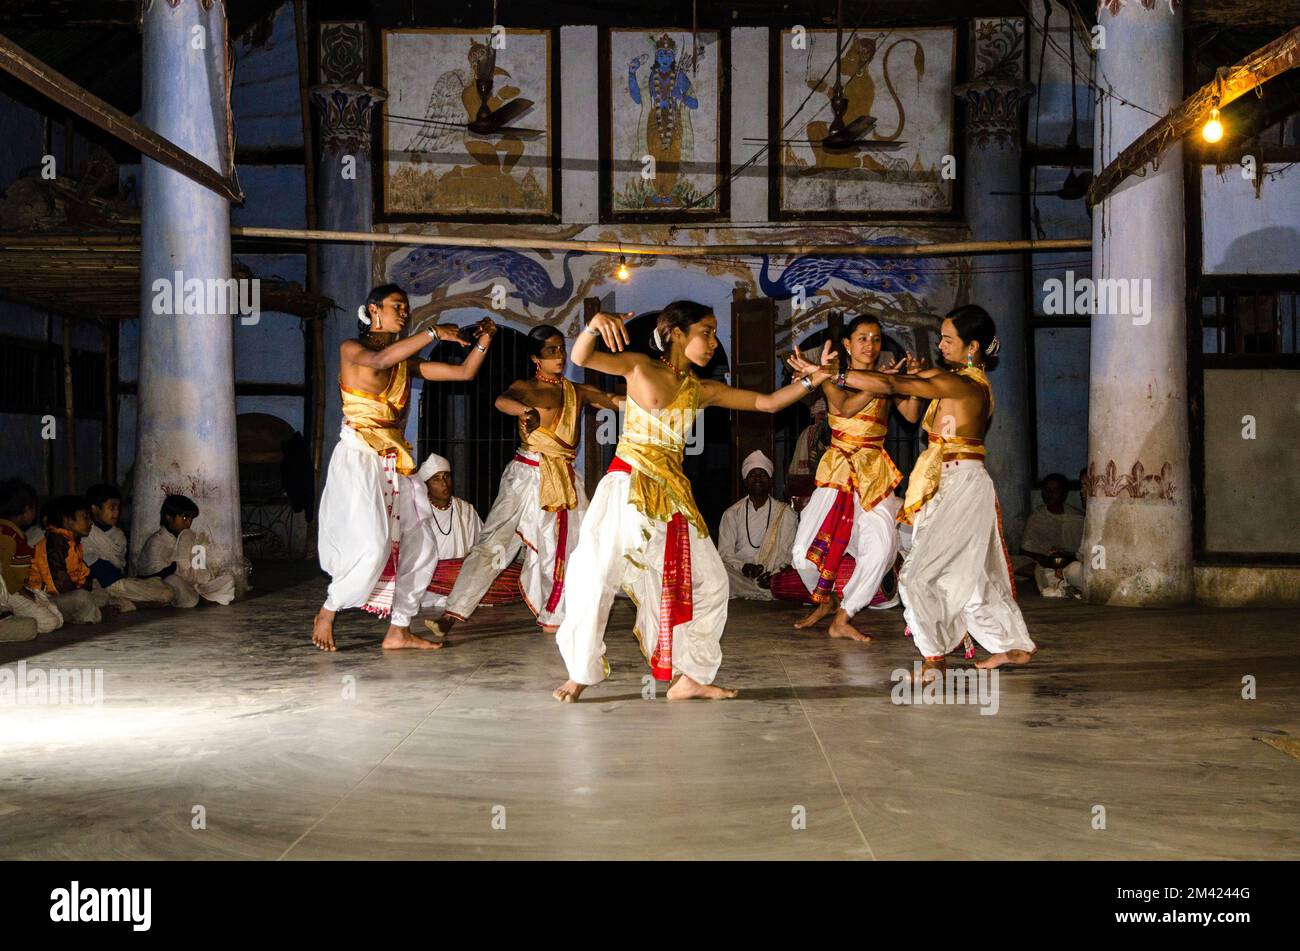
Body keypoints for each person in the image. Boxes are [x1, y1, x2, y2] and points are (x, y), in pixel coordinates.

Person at [551, 301, 836, 702]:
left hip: (672, 496)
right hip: (626, 485)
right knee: (596, 577)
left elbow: (767, 403)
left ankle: (691, 675)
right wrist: (593, 326)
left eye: (716, 333)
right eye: (707, 331)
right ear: (676, 332)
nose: (714, 343)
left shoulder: (702, 390)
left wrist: (815, 380)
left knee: (714, 583)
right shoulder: (638, 367)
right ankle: (581, 670)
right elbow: (582, 357)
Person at [839, 304, 1036, 678]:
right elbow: (911, 411)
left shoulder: (964, 385)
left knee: (917, 576)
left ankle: (934, 659)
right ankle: (1012, 646)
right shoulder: (953, 379)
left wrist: (834, 374)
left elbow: (896, 385)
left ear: (972, 346)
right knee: (972, 576)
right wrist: (907, 377)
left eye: (948, 340)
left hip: (960, 484)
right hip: (944, 483)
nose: (941, 346)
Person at [313, 284, 497, 651]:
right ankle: (329, 609)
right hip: (360, 457)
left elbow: (463, 374)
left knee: (423, 545)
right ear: (373, 310)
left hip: (396, 464)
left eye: (406, 308)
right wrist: (431, 333)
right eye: (396, 306)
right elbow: (379, 361)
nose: (403, 313)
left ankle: (399, 628)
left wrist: (485, 340)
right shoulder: (351, 349)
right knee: (373, 543)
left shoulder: (404, 362)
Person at [427, 325, 622, 637]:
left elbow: (613, 400)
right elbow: (503, 401)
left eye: (561, 349)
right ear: (535, 357)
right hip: (524, 476)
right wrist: (525, 410)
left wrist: (651, 399)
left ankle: (558, 614)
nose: (559, 356)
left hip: (564, 479)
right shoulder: (524, 386)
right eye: (550, 351)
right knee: (492, 544)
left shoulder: (577, 391)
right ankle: (453, 613)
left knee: (565, 549)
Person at [788, 316, 920, 641]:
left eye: (876, 339)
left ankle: (845, 614)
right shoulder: (833, 376)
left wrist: (911, 384)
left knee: (882, 547)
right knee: (801, 552)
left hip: (874, 471)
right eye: (862, 338)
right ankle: (825, 600)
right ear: (848, 344)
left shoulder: (888, 380)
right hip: (838, 470)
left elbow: (912, 415)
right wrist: (880, 384)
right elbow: (844, 409)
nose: (870, 345)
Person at [716, 450, 798, 600]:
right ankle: (763, 591)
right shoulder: (732, 513)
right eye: (753, 475)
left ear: (771, 480)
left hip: (773, 575)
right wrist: (744, 567)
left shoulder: (785, 513)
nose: (758, 479)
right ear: (746, 481)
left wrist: (775, 574)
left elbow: (789, 553)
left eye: (763, 474)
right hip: (740, 575)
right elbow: (725, 553)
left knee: (800, 573)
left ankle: (770, 586)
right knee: (714, 570)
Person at [27, 495, 116, 624]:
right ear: (67, 520)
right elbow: (58, 585)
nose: (90, 522)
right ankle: (94, 615)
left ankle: (91, 611)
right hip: (47, 599)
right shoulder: (54, 543)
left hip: (65, 595)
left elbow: (82, 575)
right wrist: (84, 590)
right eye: (85, 517)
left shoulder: (71, 543)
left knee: (100, 593)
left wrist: (89, 586)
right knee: (82, 598)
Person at [83, 483, 175, 609]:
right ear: (94, 509)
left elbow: (120, 565)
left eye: (118, 508)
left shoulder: (118, 535)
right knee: (166, 594)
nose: (116, 512)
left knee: (163, 586)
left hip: (119, 581)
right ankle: (131, 601)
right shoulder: (86, 532)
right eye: (112, 508)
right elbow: (92, 563)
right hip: (103, 582)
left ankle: (126, 600)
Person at [137, 495, 237, 607]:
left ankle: (202, 597)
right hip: (164, 583)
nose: (188, 523)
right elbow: (153, 575)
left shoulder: (187, 537)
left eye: (190, 519)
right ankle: (201, 598)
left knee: (228, 579)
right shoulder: (156, 542)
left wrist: (199, 561)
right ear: (169, 517)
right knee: (174, 582)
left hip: (192, 584)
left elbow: (198, 568)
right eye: (184, 518)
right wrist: (177, 567)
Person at [415, 453, 485, 611]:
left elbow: (482, 545)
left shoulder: (465, 510)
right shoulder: (419, 511)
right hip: (429, 580)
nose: (444, 484)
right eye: (436, 479)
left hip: (460, 578)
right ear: (426, 485)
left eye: (446, 476)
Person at [0, 478, 63, 633]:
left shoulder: (16, 533)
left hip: (17, 589)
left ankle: (12, 615)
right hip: (9, 592)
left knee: (57, 618)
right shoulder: (7, 535)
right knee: (49, 622)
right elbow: (7, 575)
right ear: (27, 510)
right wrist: (24, 593)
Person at [1021, 472, 1085, 598]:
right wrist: (1043, 558)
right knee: (1014, 563)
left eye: (1055, 490)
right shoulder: (1037, 517)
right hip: (1044, 563)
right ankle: (1062, 584)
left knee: (1074, 570)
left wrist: (1066, 555)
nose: (1050, 494)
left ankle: (1061, 584)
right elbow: (1024, 551)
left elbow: (1083, 552)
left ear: (1064, 494)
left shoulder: (1077, 517)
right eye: (1047, 490)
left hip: (1071, 562)